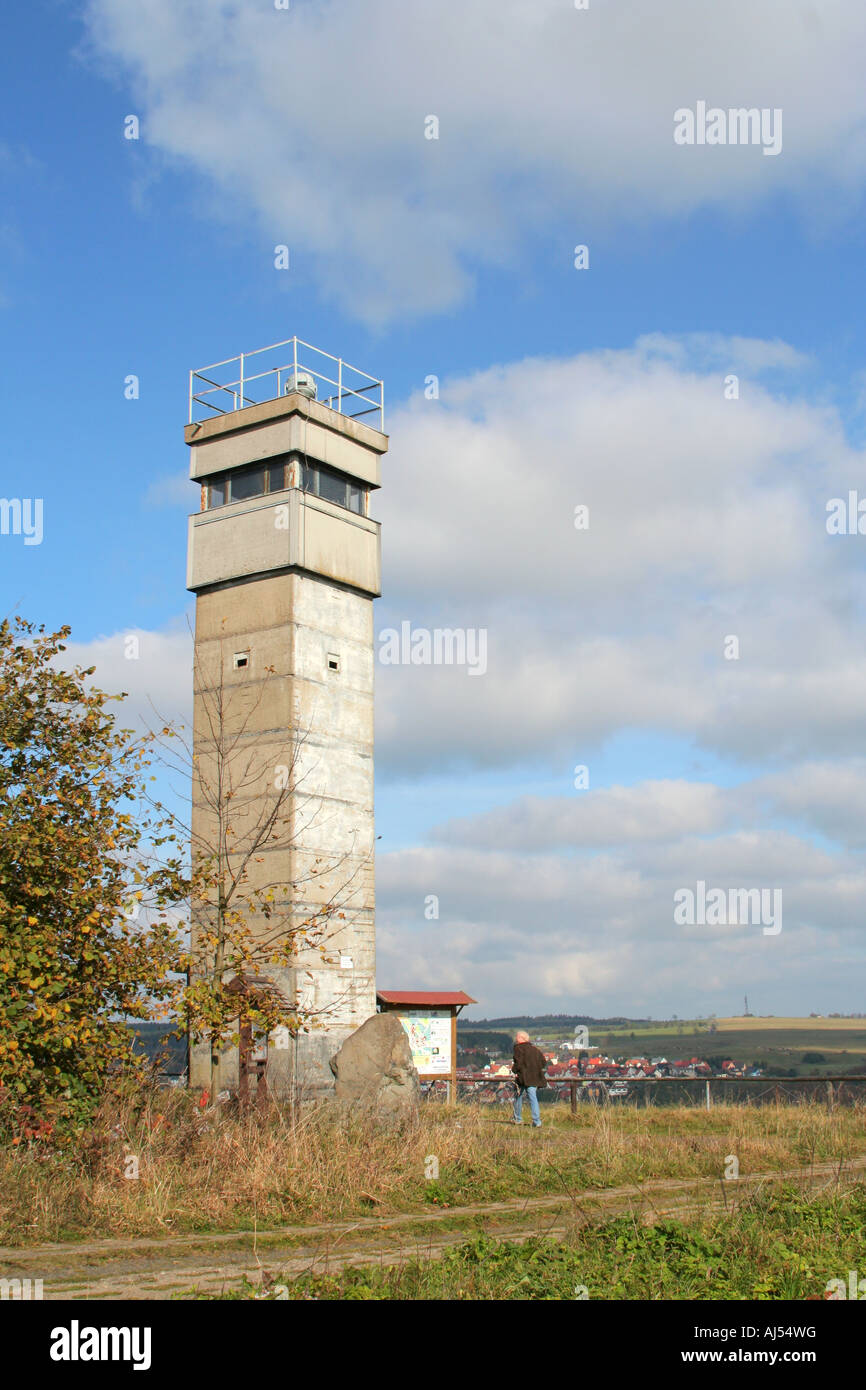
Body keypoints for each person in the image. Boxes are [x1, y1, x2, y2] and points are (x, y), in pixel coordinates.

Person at [511, 1030, 547, 1127]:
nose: (516, 1039)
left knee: (518, 1096)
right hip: (534, 1078)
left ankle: (517, 1118)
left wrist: (514, 1070)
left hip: (522, 1077)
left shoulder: (518, 1049)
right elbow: (543, 1062)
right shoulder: (535, 1050)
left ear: (521, 1038)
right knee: (533, 1097)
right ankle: (537, 1121)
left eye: (517, 1037)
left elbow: (518, 1064)